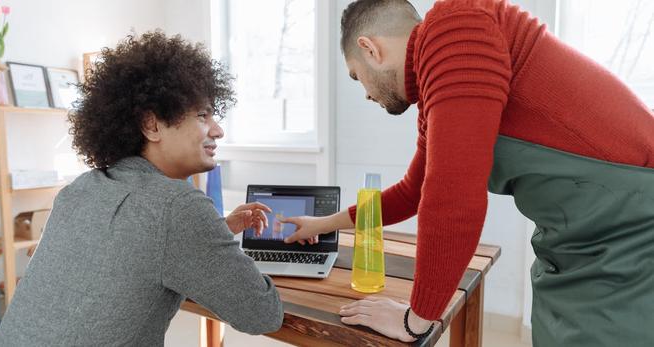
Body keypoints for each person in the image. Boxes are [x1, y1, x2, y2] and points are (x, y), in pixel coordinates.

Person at [279, 0, 654, 345]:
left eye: (356, 77)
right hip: (588, 239)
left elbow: (451, 197)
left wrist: (417, 318)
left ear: (369, 49)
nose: (365, 95)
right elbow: (415, 190)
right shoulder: (437, 83)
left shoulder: (455, 28)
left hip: (632, 233)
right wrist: (323, 224)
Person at [0, 31, 283, 346]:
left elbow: (123, 257)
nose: (218, 129)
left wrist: (215, 232)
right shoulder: (178, 207)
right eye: (203, 115)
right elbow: (262, 314)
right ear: (151, 125)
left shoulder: (82, 188)